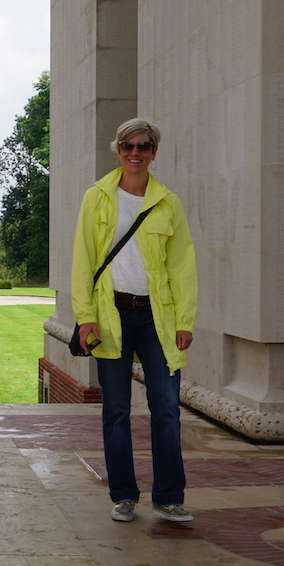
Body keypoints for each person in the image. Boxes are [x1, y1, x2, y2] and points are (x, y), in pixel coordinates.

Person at [71, 118, 197, 524]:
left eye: (143, 146)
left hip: (157, 319)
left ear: (154, 152)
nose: (135, 153)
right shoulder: (97, 197)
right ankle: (124, 495)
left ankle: (169, 497)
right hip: (112, 316)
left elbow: (182, 267)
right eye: (128, 145)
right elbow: (83, 261)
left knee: (166, 409)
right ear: (119, 149)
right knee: (116, 410)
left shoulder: (168, 202)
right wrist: (86, 318)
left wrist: (185, 321)